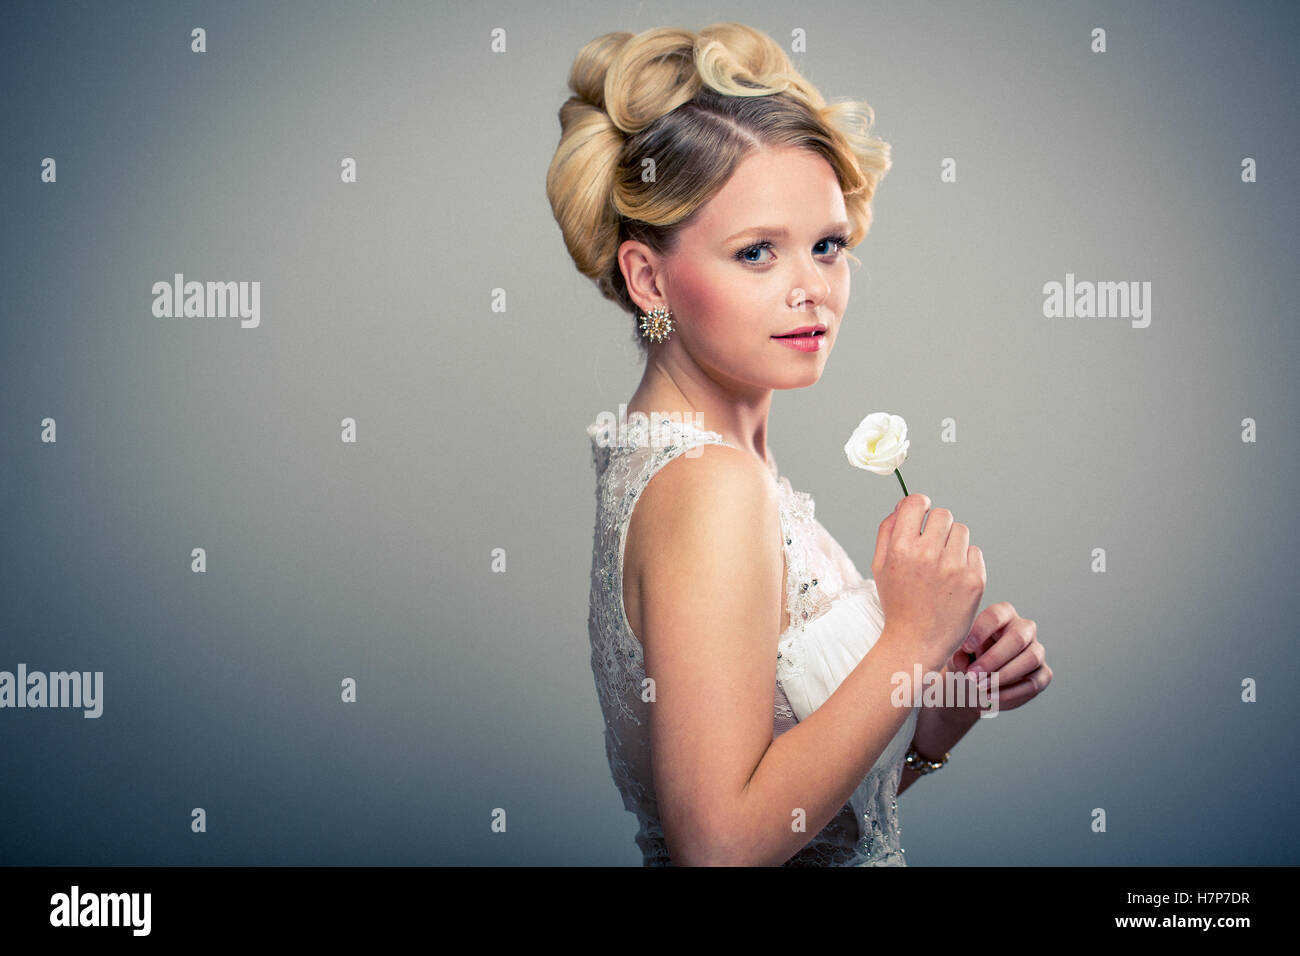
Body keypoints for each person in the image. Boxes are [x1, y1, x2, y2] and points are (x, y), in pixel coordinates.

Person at [548, 22, 1052, 866]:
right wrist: (910, 641)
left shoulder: (678, 452)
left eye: (828, 246)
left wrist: (933, 717)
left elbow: (804, 827)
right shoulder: (710, 486)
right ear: (649, 278)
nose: (810, 289)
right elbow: (720, 847)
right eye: (756, 253)